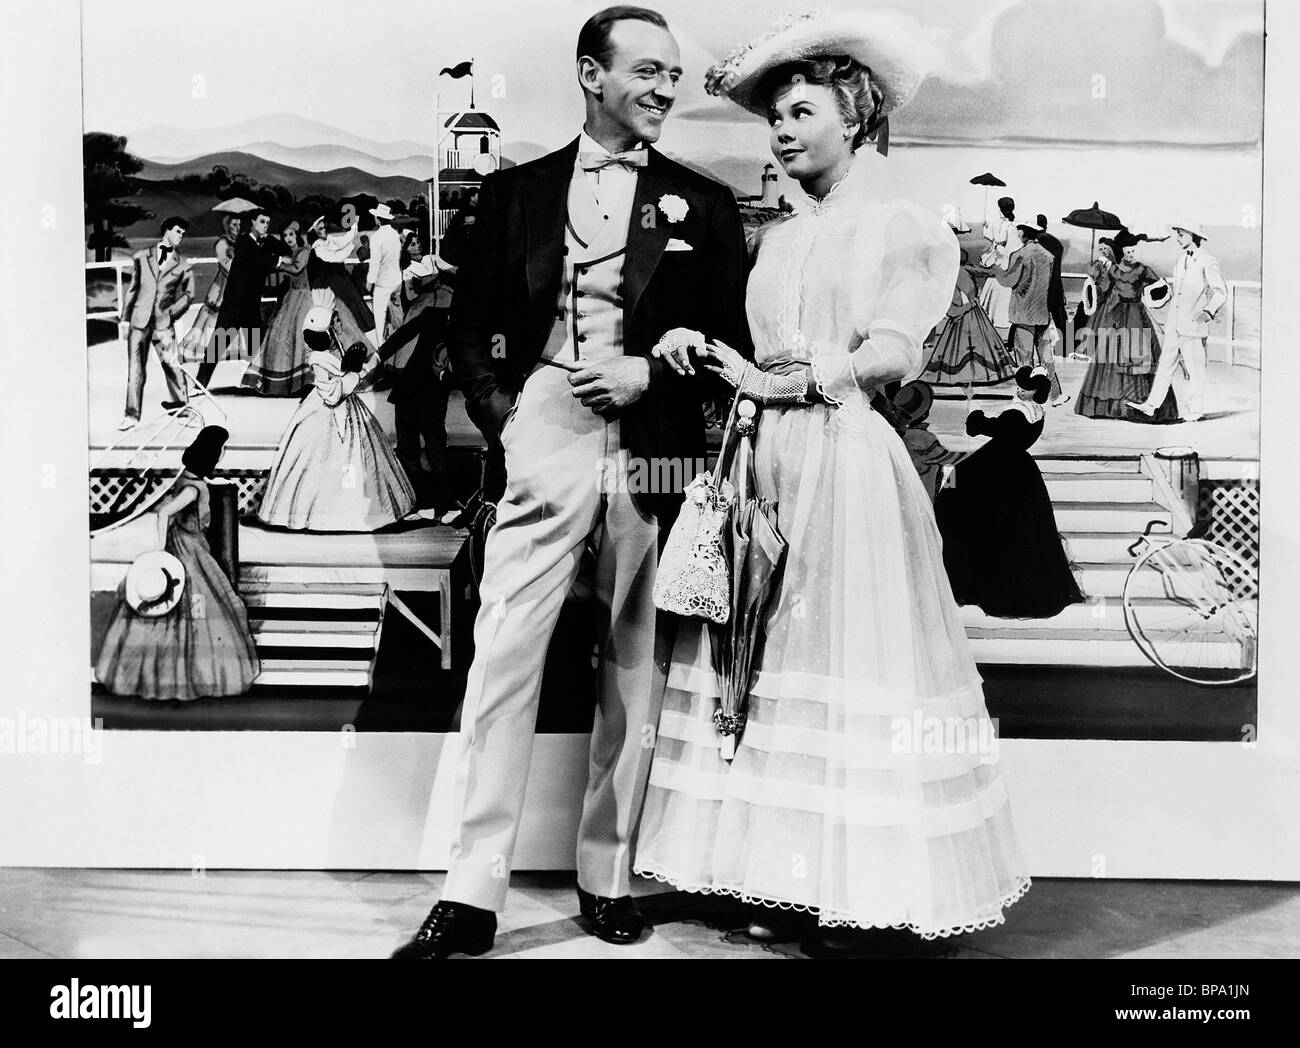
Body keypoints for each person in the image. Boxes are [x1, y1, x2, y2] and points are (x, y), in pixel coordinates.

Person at [631, 10, 1030, 950]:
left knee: (842, 652)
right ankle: (772, 880)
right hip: (762, 456)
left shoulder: (899, 222)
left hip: (843, 458)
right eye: (774, 117)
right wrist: (706, 350)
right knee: (763, 656)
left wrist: (792, 381)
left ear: (855, 119)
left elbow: (891, 350)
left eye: (801, 113)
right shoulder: (780, 234)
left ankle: (864, 890)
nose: (781, 131)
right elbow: (762, 346)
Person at [390, 5, 750, 960]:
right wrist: (506, 415)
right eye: (647, 71)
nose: (666, 89)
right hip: (542, 435)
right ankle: (472, 895)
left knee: (633, 663)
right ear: (592, 74)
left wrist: (651, 370)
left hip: (654, 446)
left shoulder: (703, 204)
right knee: (503, 659)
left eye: (673, 74)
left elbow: (731, 346)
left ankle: (607, 877)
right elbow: (468, 327)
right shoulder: (516, 193)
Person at [95, 426, 261, 699]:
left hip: (189, 545)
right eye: (221, 449)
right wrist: (161, 552)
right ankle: (193, 676)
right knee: (197, 609)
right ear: (213, 454)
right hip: (188, 551)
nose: (223, 454)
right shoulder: (194, 488)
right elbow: (164, 513)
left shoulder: (186, 478)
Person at [935, 366, 1085, 618]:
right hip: (1021, 470)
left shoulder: (1017, 413)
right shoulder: (1037, 412)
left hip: (998, 469)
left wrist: (973, 406)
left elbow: (980, 427)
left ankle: (977, 584)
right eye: (1018, 387)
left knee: (959, 499)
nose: (1018, 391)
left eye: (1024, 388)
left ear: (1034, 391)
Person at [256, 307, 417, 531]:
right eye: (336, 323)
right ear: (327, 332)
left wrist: (355, 369)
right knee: (333, 462)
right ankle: (332, 517)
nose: (341, 326)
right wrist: (353, 373)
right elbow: (331, 396)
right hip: (326, 416)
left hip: (346, 410)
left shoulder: (330, 354)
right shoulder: (319, 361)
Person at [1128, 220, 1227, 423]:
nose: (1178, 238)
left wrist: (1208, 311)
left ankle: (1195, 409)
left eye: (1181, 234)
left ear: (1193, 235)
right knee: (1165, 364)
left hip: (1193, 325)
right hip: (1175, 323)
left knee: (1195, 368)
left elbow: (1220, 292)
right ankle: (1151, 405)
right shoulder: (1181, 261)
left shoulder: (1207, 261)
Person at [1076, 230, 1177, 420]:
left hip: (1137, 317)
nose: (1132, 255)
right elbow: (1102, 292)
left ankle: (1142, 405)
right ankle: (1111, 408)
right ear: (1121, 252)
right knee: (1110, 358)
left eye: (1134, 251)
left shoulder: (1143, 270)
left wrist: (1157, 295)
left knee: (1140, 355)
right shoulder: (1112, 270)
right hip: (1115, 317)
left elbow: (1160, 289)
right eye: (1128, 252)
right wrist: (1093, 281)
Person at [117, 216, 195, 430]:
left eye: (183, 233)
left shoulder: (183, 265)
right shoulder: (141, 257)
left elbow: (189, 295)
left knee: (172, 366)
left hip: (163, 324)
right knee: (135, 369)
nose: (181, 236)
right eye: (178, 231)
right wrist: (125, 319)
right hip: (139, 321)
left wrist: (171, 313)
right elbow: (133, 289)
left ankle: (183, 411)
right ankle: (131, 416)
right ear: (167, 230)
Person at [983, 222, 1069, 406]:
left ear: (1024, 233)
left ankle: (1026, 396)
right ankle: (1055, 395)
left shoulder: (1020, 255)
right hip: (1042, 313)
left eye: (1019, 231)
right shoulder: (1048, 256)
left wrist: (996, 268)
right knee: (1046, 358)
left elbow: (1009, 281)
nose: (1017, 234)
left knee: (1024, 359)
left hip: (1023, 313)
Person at [205, 207, 289, 388]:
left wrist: (272, 244)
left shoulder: (266, 241)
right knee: (216, 346)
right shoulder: (243, 242)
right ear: (252, 222)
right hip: (233, 306)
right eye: (262, 222)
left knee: (257, 348)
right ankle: (199, 385)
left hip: (251, 306)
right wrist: (278, 260)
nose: (265, 226)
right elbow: (257, 258)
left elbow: (286, 249)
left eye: (268, 223)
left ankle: (261, 385)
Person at [920, 247, 1015, 387]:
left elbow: (953, 310)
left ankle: (970, 378)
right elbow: (953, 311)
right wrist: (971, 304)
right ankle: (974, 377)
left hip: (969, 317)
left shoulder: (955, 275)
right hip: (969, 317)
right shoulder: (957, 276)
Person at [241, 219, 315, 396]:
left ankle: (304, 381)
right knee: (278, 334)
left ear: (297, 235)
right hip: (291, 296)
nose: (289, 238)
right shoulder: (290, 253)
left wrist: (277, 262)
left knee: (299, 336)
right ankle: (278, 382)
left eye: (291, 234)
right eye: (285, 236)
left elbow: (297, 269)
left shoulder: (304, 251)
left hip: (304, 297)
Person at [180, 213, 239, 377]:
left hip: (231, 287)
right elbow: (226, 266)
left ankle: (204, 351)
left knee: (214, 317)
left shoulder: (238, 242)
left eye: (239, 225)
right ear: (227, 225)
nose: (237, 228)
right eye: (234, 224)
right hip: (221, 287)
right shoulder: (222, 243)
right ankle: (192, 351)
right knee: (208, 316)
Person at [308, 211, 376, 349]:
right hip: (326, 286)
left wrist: (354, 226)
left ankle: (369, 337)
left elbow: (343, 241)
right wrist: (350, 247)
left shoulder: (328, 241)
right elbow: (335, 258)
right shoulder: (318, 247)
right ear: (314, 232)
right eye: (320, 228)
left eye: (325, 227)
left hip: (338, 280)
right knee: (340, 312)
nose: (324, 230)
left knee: (356, 305)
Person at [893, 380, 964, 501]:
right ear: (925, 413)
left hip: (904, 496)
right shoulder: (923, 439)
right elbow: (950, 459)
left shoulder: (897, 436)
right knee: (952, 473)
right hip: (923, 500)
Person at [366, 204, 405, 342]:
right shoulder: (396, 235)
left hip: (382, 283)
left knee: (380, 318)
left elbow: (375, 262)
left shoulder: (376, 237)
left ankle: (380, 347)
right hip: (397, 280)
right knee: (397, 317)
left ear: (378, 219)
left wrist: (370, 282)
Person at [977, 195, 1015, 330]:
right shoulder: (1011, 226)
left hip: (998, 256)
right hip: (1004, 258)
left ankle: (991, 316)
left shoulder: (999, 224)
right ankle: (999, 318)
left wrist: (985, 227)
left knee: (994, 284)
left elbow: (990, 237)